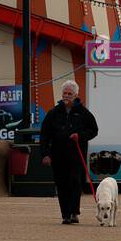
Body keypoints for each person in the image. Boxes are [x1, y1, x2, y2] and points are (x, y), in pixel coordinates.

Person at [39, 80, 98, 224]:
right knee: (62, 184)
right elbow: (44, 135)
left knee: (75, 182)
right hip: (58, 155)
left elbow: (93, 130)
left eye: (69, 93)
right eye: (64, 93)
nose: (66, 96)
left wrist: (81, 136)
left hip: (77, 156)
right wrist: (45, 154)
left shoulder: (84, 113)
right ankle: (65, 214)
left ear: (75, 95)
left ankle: (74, 212)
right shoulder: (53, 113)